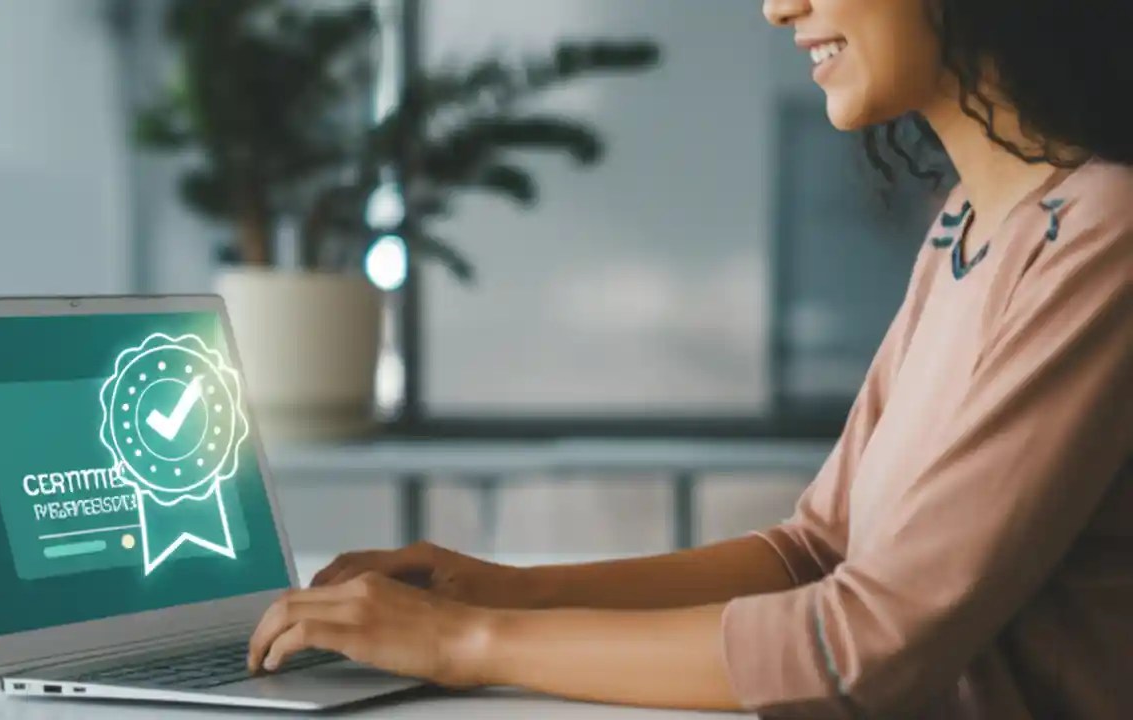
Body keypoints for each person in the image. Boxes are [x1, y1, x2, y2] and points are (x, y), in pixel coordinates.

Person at [247, 0, 1133, 716]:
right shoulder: (964, 229)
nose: (779, 9)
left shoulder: (1104, 234)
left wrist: (461, 644)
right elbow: (814, 550)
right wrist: (494, 591)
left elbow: (865, 646)